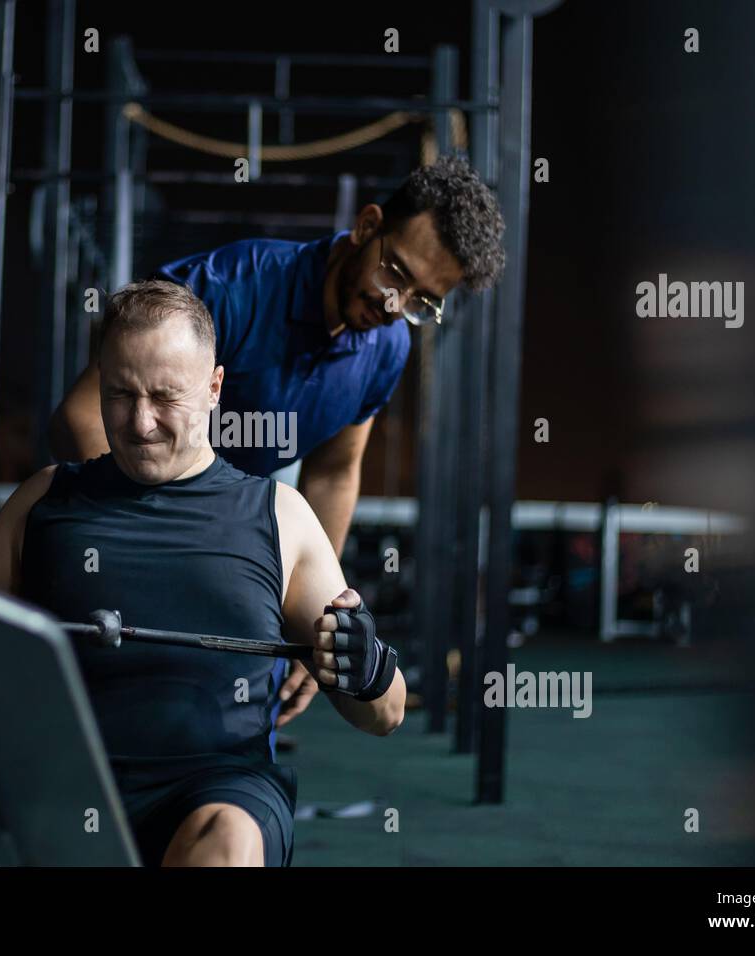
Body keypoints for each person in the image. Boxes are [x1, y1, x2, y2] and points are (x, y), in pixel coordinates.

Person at [48, 155, 505, 729]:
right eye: (395, 272)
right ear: (366, 227)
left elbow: (336, 472)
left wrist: (321, 614)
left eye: (419, 300)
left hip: (233, 528)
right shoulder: (227, 289)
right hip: (131, 513)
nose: (394, 303)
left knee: (221, 725)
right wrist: (143, 538)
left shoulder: (387, 348)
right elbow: (80, 415)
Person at [0, 281, 405, 866]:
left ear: (214, 388)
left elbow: (385, 714)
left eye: (165, 396)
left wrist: (361, 665)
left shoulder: (278, 515)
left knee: (228, 842)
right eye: (120, 394)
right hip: (63, 783)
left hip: (216, 788)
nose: (140, 422)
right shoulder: (46, 498)